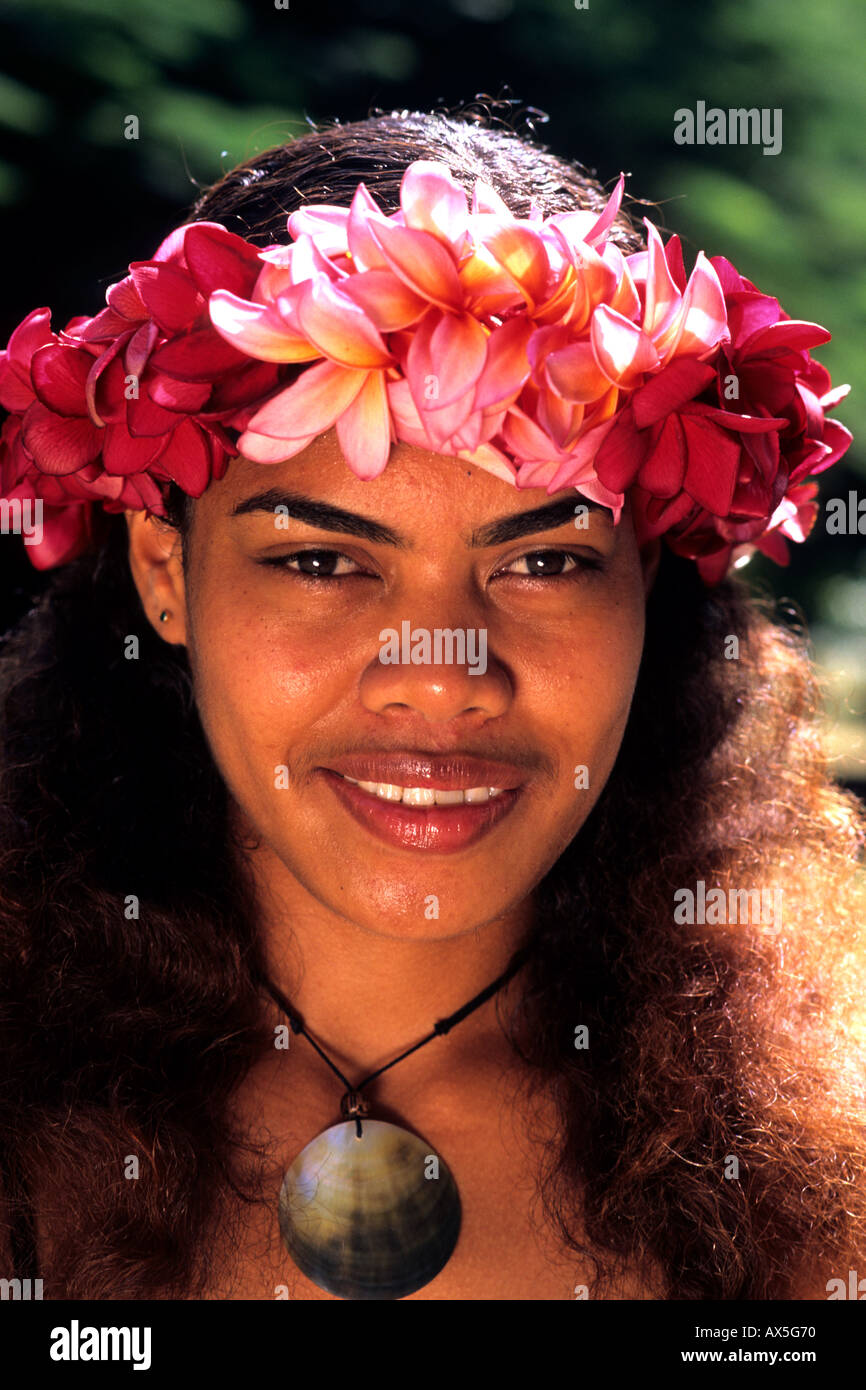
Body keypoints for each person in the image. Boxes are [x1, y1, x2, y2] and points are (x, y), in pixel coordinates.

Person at [1, 109, 864, 1302]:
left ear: (647, 583)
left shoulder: (830, 1164)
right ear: (164, 570)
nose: (444, 668)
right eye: (321, 561)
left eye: (544, 562)